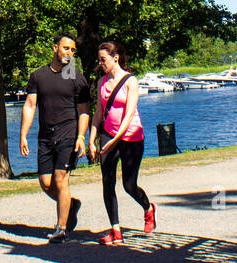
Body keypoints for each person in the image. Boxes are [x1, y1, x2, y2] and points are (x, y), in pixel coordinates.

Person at [20, 31, 90, 243]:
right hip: (45, 136)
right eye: (66, 48)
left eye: (72, 50)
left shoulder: (76, 77)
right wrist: (23, 134)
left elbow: (84, 111)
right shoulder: (39, 76)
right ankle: (72, 204)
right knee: (45, 183)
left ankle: (61, 228)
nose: (69, 53)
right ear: (55, 47)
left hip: (68, 135)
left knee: (61, 181)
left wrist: (81, 137)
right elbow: (30, 105)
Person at [88, 40, 155, 245]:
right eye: (99, 60)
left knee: (129, 185)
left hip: (131, 137)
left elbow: (128, 115)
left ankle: (148, 208)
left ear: (115, 58)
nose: (101, 63)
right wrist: (92, 139)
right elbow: (98, 112)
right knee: (108, 182)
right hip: (108, 135)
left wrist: (116, 139)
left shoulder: (130, 81)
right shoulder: (101, 83)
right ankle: (115, 230)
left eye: (103, 59)